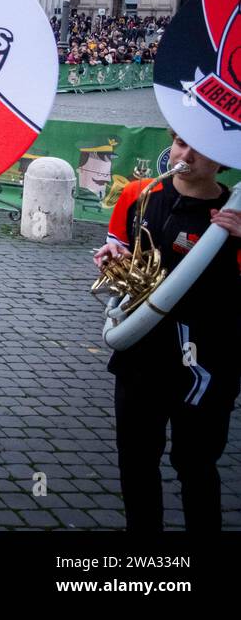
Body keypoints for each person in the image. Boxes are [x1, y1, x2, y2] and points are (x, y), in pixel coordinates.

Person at [94, 131, 241, 531]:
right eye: (179, 142)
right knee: (136, 461)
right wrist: (113, 261)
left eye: (201, 148)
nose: (186, 154)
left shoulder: (235, 210)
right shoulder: (140, 194)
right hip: (140, 354)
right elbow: (120, 266)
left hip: (207, 361)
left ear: (222, 158)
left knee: (196, 465)